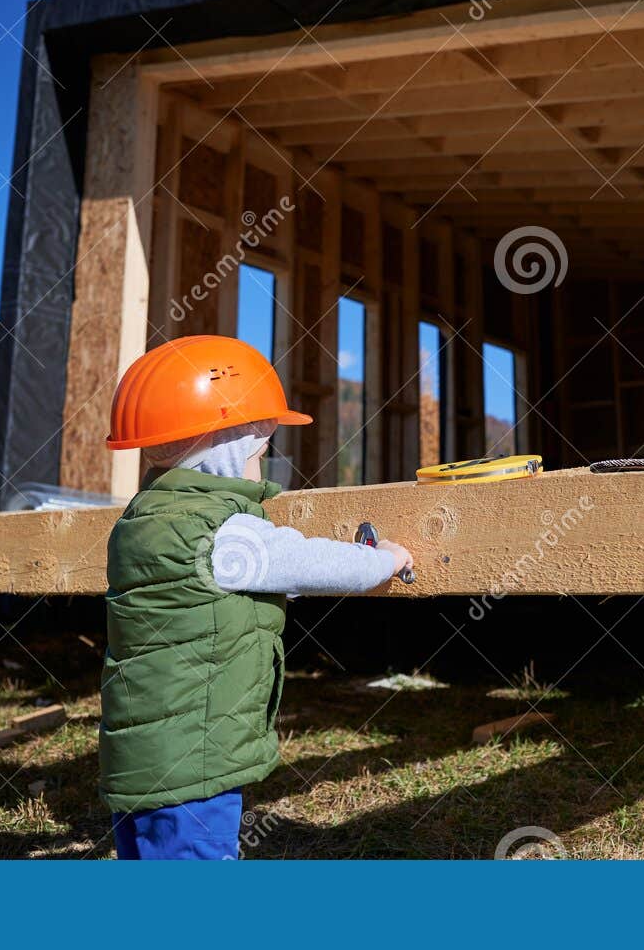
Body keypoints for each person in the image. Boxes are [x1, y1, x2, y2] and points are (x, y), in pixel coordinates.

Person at [100, 335, 413, 859]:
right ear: (225, 452)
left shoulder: (139, 524)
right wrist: (386, 559)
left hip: (140, 761)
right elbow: (311, 562)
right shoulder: (224, 533)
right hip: (197, 766)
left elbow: (239, 583)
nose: (259, 468)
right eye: (258, 452)